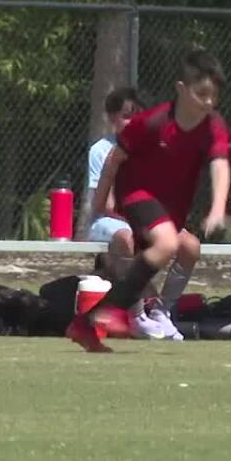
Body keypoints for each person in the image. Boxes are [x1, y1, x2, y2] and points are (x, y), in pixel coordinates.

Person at [67, 49, 230, 352]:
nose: (209, 102)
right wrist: (101, 204)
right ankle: (124, 314)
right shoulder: (153, 122)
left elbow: (220, 163)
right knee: (167, 243)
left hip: (172, 207)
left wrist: (218, 209)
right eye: (202, 94)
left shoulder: (214, 125)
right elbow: (115, 158)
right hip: (136, 194)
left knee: (168, 249)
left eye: (214, 96)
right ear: (182, 89)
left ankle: (87, 323)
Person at [81, 87, 179, 340]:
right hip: (109, 221)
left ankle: (161, 311)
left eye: (138, 115)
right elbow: (105, 205)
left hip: (139, 216)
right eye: (126, 115)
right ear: (112, 117)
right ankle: (137, 315)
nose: (132, 121)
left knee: (189, 244)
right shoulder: (102, 150)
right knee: (127, 237)